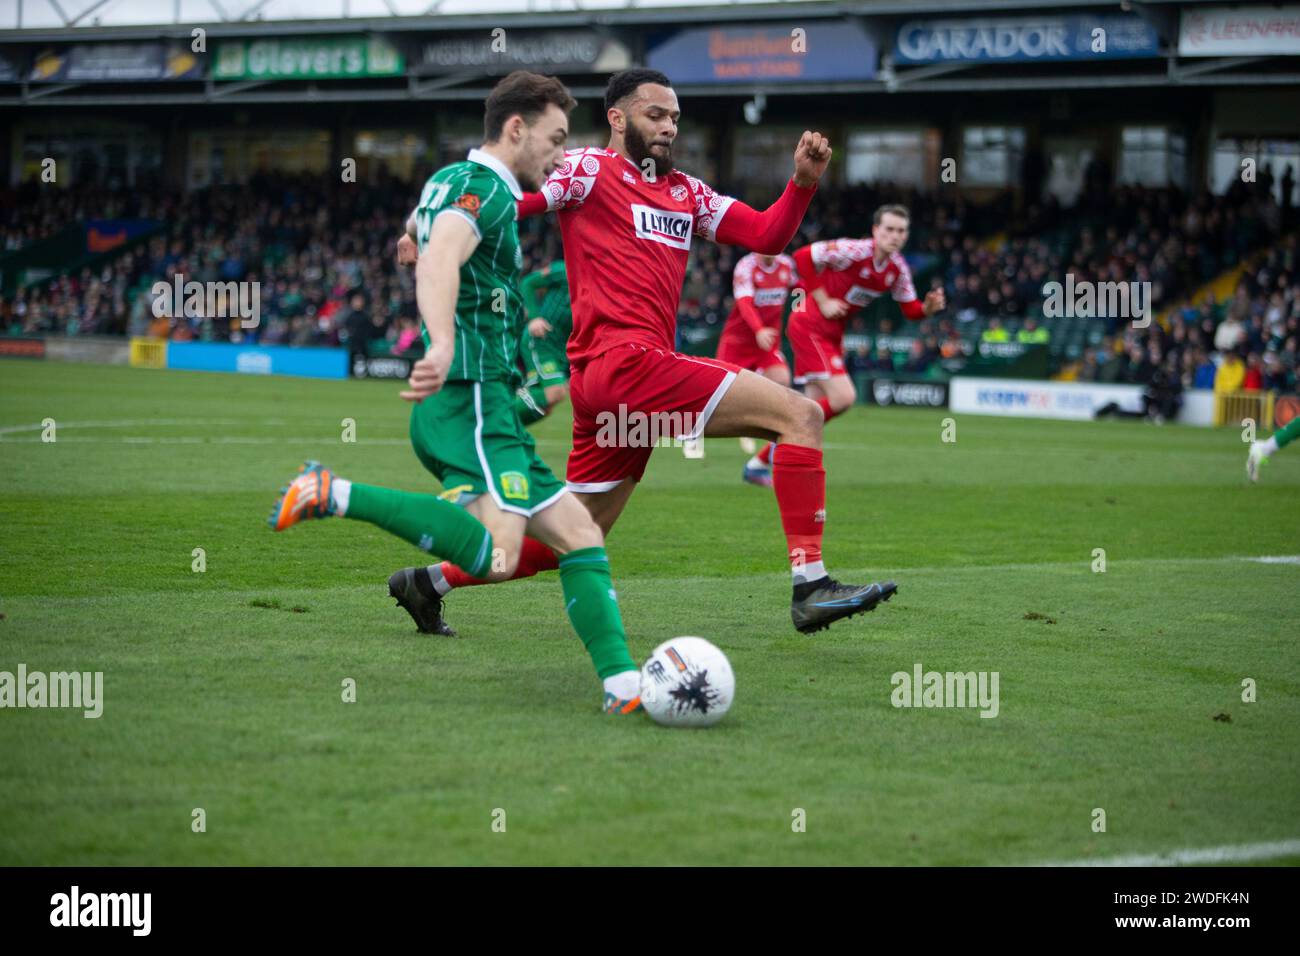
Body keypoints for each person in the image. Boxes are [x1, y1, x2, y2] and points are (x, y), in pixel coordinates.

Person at [418, 68, 898, 636]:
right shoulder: (585, 169)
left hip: (610, 393)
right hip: (627, 366)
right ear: (617, 119)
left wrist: (802, 183)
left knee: (576, 536)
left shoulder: (687, 193)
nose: (669, 126)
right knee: (803, 414)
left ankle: (428, 582)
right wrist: (441, 228)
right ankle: (811, 586)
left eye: (674, 117)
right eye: (655, 115)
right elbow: (515, 201)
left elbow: (768, 235)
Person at [269, 71, 646, 716]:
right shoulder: (490, 191)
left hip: (489, 404)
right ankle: (331, 491)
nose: (560, 154)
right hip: (469, 396)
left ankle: (623, 688)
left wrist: (411, 236)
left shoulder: (454, 179)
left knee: (580, 535)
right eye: (555, 138)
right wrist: (440, 341)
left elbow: (426, 227)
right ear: (516, 128)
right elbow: (443, 254)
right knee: (497, 554)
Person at [744, 206, 945, 482]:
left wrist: (928, 309)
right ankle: (785, 448)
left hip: (832, 332)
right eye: (889, 229)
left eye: (901, 231)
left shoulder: (897, 269)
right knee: (844, 397)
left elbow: (910, 309)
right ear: (875, 230)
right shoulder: (854, 250)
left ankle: (759, 463)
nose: (894, 236)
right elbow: (803, 257)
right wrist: (824, 300)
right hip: (809, 323)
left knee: (811, 407)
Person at [714, 251, 797, 485]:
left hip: (767, 342)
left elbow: (801, 288)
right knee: (721, 395)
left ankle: (770, 449)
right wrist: (758, 328)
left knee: (783, 383)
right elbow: (744, 303)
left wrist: (798, 314)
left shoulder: (787, 265)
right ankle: (689, 434)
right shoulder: (746, 266)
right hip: (738, 341)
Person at [514, 260, 573, 425]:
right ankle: (493, 420)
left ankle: (506, 436)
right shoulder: (564, 269)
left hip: (560, 350)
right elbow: (528, 282)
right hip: (541, 339)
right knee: (555, 392)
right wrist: (533, 318)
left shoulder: (601, 285)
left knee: (545, 406)